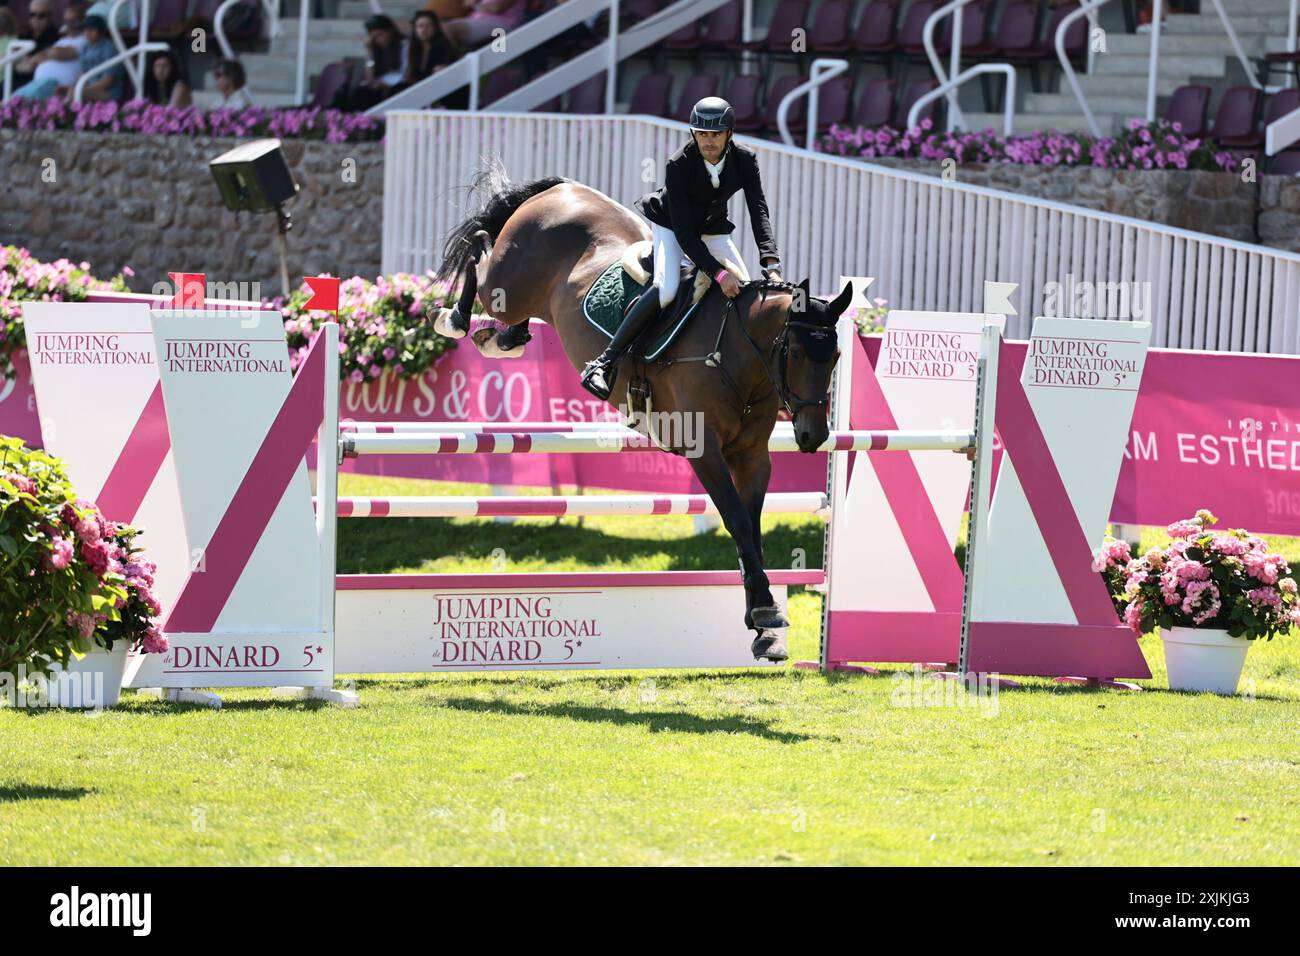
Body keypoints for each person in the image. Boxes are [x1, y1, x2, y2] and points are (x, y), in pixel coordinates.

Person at [580, 96, 784, 401]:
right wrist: (717, 274)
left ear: (729, 134)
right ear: (693, 134)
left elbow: (758, 211)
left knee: (744, 292)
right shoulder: (678, 164)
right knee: (667, 289)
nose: (708, 141)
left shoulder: (745, 159)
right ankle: (604, 362)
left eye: (715, 134)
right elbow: (687, 237)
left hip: (713, 228)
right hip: (673, 228)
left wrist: (771, 263)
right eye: (702, 134)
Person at [11, 3, 88, 100]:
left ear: (83, 21)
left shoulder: (85, 40)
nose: (70, 25)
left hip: (56, 85)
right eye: (67, 22)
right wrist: (40, 57)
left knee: (14, 102)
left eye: (74, 21)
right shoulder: (62, 40)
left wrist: (37, 58)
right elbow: (29, 65)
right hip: (40, 84)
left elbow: (57, 53)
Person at [340, 14, 406, 110]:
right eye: (374, 37)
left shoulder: (404, 45)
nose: (377, 40)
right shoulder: (376, 50)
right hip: (380, 88)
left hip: (396, 88)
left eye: (380, 35)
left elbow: (405, 74)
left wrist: (386, 84)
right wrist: (370, 53)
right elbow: (370, 78)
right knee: (355, 93)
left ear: (390, 32)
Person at [442, 0, 528, 50]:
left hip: (501, 25)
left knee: (448, 29)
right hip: (479, 20)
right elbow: (466, 3)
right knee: (441, 29)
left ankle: (454, 64)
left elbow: (496, 8)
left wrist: (476, 4)